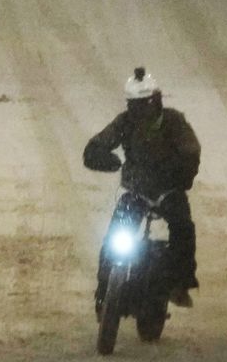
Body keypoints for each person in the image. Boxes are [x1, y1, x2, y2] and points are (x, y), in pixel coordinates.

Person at [83, 67, 201, 307]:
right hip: (136, 192)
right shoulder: (125, 122)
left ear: (155, 101)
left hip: (169, 191)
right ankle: (103, 291)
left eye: (143, 104)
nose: (138, 111)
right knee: (112, 239)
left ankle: (180, 283)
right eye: (133, 105)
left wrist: (179, 175)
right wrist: (104, 159)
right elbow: (95, 147)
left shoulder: (174, 121)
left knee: (183, 228)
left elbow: (191, 150)